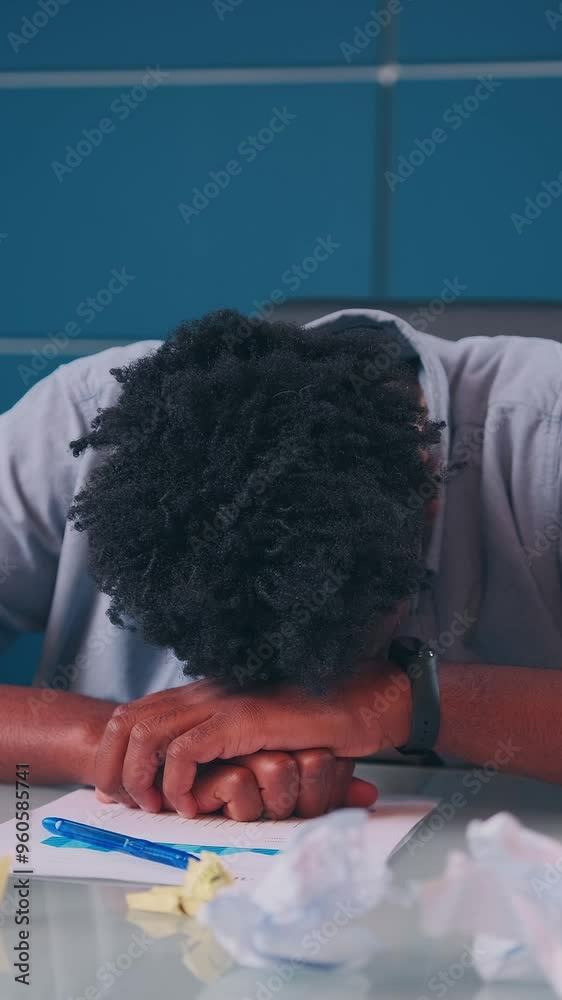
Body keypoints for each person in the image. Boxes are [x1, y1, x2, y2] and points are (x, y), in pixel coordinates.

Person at [1, 307, 561, 821]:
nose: (266, 708)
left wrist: (405, 700)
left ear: (426, 492)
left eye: (322, 666)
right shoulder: (79, 424)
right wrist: (128, 743)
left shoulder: (547, 433)